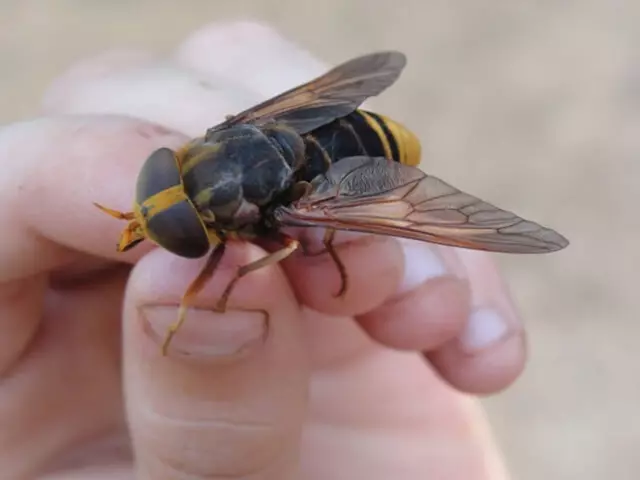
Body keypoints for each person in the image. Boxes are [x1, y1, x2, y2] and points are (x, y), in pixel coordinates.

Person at [0, 21, 526, 479]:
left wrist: (222, 288)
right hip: (303, 126)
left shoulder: (284, 211)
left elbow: (290, 242)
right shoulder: (227, 134)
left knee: (302, 243)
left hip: (361, 156)